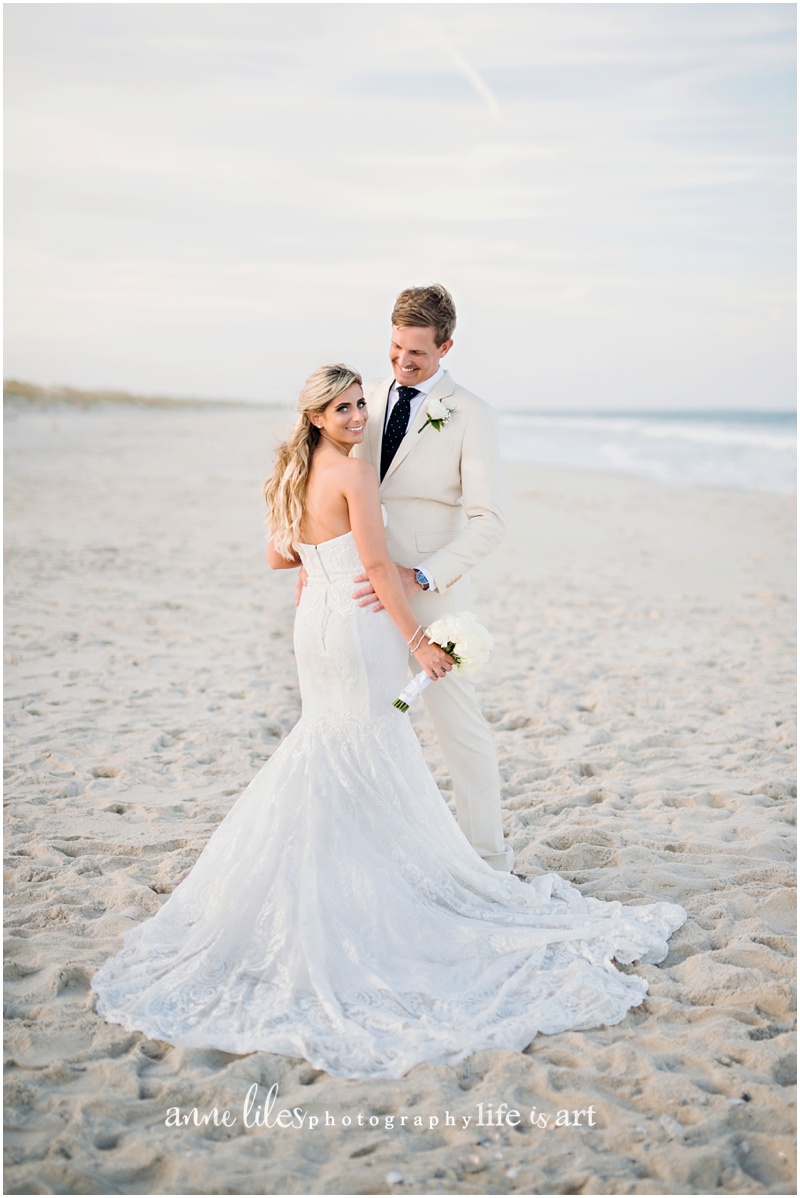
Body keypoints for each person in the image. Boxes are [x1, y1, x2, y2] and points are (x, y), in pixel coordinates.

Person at [90, 361, 686, 1080]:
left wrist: (319, 559)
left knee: (329, 745)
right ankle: (369, 892)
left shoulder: (295, 469)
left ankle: (333, 882)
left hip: (313, 625)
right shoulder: (349, 472)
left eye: (360, 404)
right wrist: (419, 642)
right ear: (317, 416)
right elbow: (376, 565)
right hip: (357, 628)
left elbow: (279, 555)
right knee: (368, 744)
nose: (357, 417)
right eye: (343, 409)